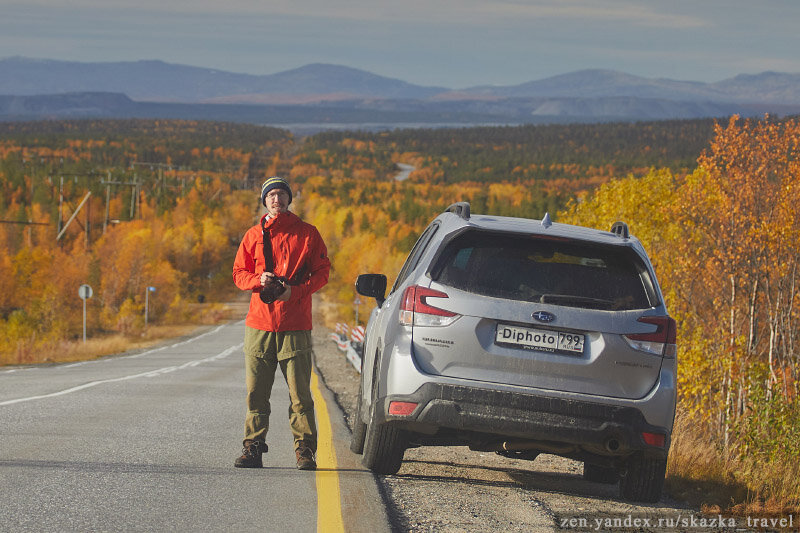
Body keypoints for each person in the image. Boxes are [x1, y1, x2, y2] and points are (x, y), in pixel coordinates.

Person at [232, 176, 331, 470]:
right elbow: (238, 273)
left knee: (300, 393)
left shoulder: (308, 234)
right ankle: (253, 448)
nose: (277, 199)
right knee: (256, 393)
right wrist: (258, 280)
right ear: (265, 201)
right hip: (259, 325)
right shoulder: (252, 235)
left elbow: (323, 272)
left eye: (281, 194)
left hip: (295, 324)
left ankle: (305, 450)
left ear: (289, 199)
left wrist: (295, 291)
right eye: (271, 195)